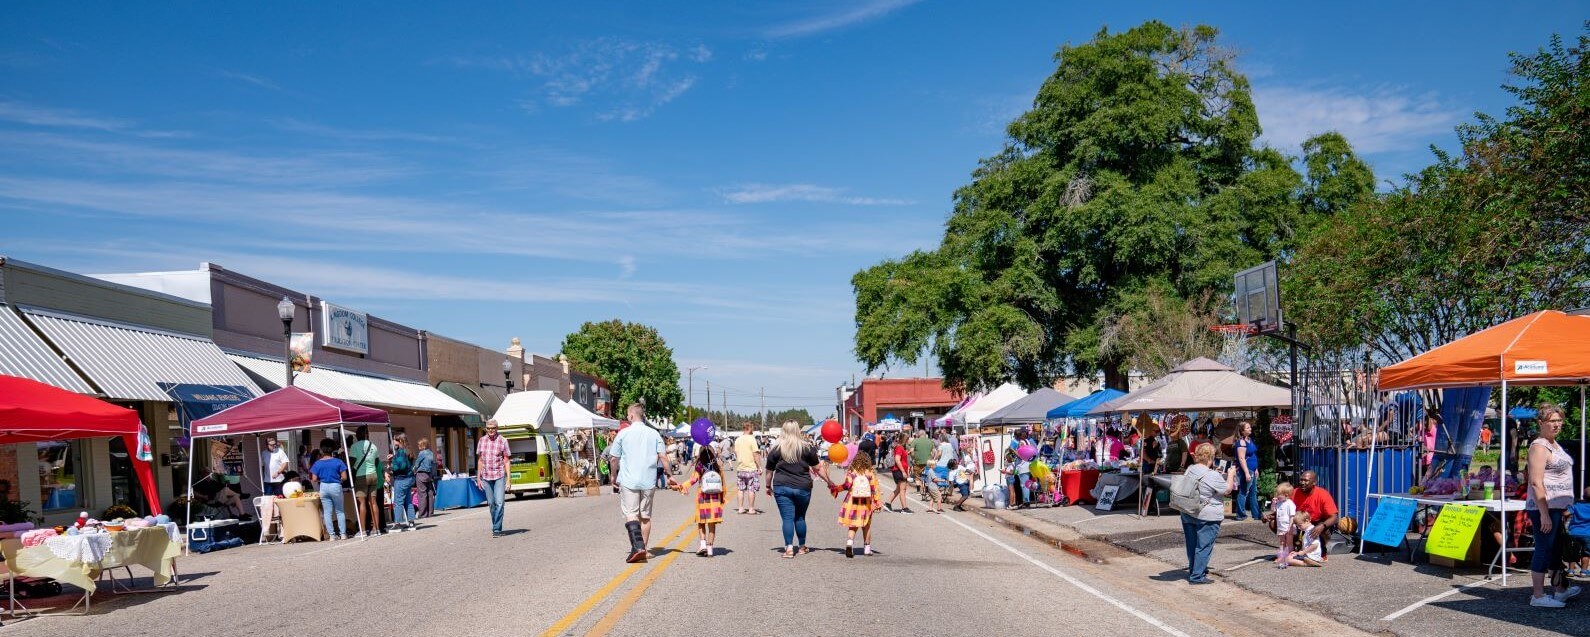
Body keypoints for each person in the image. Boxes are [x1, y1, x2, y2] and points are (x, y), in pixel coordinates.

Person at [1524, 403, 1579, 608]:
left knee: (1555, 548)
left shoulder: (1554, 444)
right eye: (1552, 421)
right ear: (1541, 423)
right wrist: (1544, 513)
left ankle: (1560, 589)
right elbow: (1536, 481)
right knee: (1544, 548)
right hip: (1543, 507)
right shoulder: (1539, 446)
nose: (1557, 424)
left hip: (1557, 506)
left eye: (1559, 420)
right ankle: (1537, 596)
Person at [609, 404, 674, 563]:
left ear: (631, 416)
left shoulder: (623, 433)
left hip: (629, 480)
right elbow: (663, 457)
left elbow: (613, 458)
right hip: (648, 481)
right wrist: (670, 475)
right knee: (645, 516)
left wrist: (613, 475)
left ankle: (637, 547)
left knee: (631, 514)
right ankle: (643, 549)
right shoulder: (654, 434)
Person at [1179, 442, 1235, 584]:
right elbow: (1227, 490)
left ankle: (1195, 569)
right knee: (1204, 545)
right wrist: (1231, 475)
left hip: (1188, 511)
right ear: (1211, 457)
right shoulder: (1212, 475)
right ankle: (1197, 576)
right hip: (1207, 514)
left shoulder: (1190, 469)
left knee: (1192, 544)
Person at [764, 420, 821, 559]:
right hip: (803, 487)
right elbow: (818, 468)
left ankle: (789, 548)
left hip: (782, 487)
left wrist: (767, 486)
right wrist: (830, 482)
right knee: (800, 517)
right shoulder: (807, 448)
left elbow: (769, 472)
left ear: (783, 431)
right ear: (797, 430)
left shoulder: (776, 449)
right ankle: (802, 547)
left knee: (787, 518)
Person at [673, 446, 726, 558]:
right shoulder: (717, 466)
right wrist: (722, 498)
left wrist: (681, 487)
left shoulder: (700, 466)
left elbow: (693, 480)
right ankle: (710, 549)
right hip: (715, 498)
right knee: (712, 524)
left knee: (701, 522)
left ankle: (702, 544)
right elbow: (723, 483)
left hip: (703, 497)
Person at [1275, 470, 1338, 561]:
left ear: (1314, 482)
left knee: (1322, 528)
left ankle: (1322, 552)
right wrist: (1272, 515)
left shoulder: (1323, 494)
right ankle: (1291, 549)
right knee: (1274, 523)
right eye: (1301, 480)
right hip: (1299, 523)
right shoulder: (1294, 492)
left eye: (1306, 480)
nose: (1302, 483)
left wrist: (1322, 526)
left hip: (1316, 523)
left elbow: (1334, 516)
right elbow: (1283, 506)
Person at [829, 452, 882, 558]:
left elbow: (847, 485)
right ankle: (867, 549)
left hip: (852, 501)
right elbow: (874, 489)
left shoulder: (852, 471)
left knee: (853, 525)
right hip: (866, 503)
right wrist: (877, 502)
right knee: (866, 526)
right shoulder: (870, 472)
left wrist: (836, 489)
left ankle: (849, 546)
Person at [475, 420, 512, 538]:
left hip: (499, 475)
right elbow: (480, 460)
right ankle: (496, 524)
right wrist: (478, 478)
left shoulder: (503, 440)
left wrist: (509, 479)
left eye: (493, 428)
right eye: (488, 428)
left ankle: (496, 528)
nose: (491, 430)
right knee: (491, 504)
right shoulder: (481, 440)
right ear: (486, 429)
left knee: (500, 502)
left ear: (497, 428)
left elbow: (506, 460)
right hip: (486, 476)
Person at [346, 427, 382, 538]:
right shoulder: (373, 446)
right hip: (373, 475)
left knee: (362, 503)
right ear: (367, 435)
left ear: (357, 435)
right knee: (373, 502)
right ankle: (376, 529)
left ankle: (362, 530)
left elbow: (351, 463)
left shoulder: (354, 446)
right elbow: (376, 462)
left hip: (361, 476)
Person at [309, 448, 349, 540]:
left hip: (323, 486)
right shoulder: (338, 461)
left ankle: (331, 535)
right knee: (340, 511)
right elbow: (344, 477)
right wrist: (339, 479)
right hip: (335, 485)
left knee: (327, 512)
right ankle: (343, 534)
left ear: (322, 452)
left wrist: (322, 479)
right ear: (332, 452)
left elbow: (314, 479)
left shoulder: (317, 463)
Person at [733, 422, 764, 515]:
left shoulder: (738, 440)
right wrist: (759, 467)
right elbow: (755, 454)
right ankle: (751, 509)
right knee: (751, 489)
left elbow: (735, 452)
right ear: (749, 428)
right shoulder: (752, 439)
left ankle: (740, 508)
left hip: (740, 468)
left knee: (740, 489)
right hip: (751, 468)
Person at [388, 433, 416, 532]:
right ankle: (411, 522)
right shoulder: (408, 450)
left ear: (399, 441)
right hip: (409, 478)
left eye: (394, 440)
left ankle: (397, 523)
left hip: (401, 479)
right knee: (408, 501)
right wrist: (394, 458)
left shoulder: (400, 452)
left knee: (398, 502)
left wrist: (391, 467)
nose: (393, 442)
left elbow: (401, 466)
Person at [1232, 422, 1260, 521]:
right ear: (1242, 431)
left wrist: (1256, 468)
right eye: (1247, 428)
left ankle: (1256, 514)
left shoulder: (1249, 440)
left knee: (1253, 493)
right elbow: (1241, 458)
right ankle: (1240, 514)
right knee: (1244, 492)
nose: (1250, 429)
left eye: (1249, 427)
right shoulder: (1241, 442)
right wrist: (1247, 472)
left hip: (1252, 469)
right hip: (1247, 470)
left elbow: (1252, 455)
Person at [1271, 482, 1297, 568]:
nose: (1277, 495)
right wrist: (1273, 503)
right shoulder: (1279, 503)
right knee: (1282, 542)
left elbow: (1292, 516)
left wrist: (1290, 526)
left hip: (1288, 527)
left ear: (1286, 495)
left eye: (1279, 494)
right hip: (1281, 527)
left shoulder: (1290, 504)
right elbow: (1273, 510)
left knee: (1289, 542)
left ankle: (1290, 556)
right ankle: (1281, 557)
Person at [885, 434, 913, 514]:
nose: (908, 441)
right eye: (907, 439)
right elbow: (897, 459)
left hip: (898, 470)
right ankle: (904, 508)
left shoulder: (899, 447)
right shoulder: (900, 447)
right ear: (904, 439)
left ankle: (888, 503)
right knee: (902, 489)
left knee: (898, 489)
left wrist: (907, 453)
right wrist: (903, 471)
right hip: (899, 471)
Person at [414, 437, 438, 519]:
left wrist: (414, 470)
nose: (418, 446)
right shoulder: (431, 453)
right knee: (430, 493)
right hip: (429, 474)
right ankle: (430, 512)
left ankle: (423, 514)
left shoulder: (422, 453)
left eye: (419, 445)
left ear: (423, 445)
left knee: (422, 494)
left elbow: (417, 463)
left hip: (421, 473)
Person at [909, 430, 935, 494]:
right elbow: (934, 452)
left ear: (918, 434)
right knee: (926, 475)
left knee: (917, 476)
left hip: (918, 462)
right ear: (925, 434)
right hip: (928, 462)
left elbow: (911, 451)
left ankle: (919, 490)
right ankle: (926, 490)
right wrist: (931, 458)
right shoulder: (930, 441)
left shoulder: (915, 441)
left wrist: (913, 458)